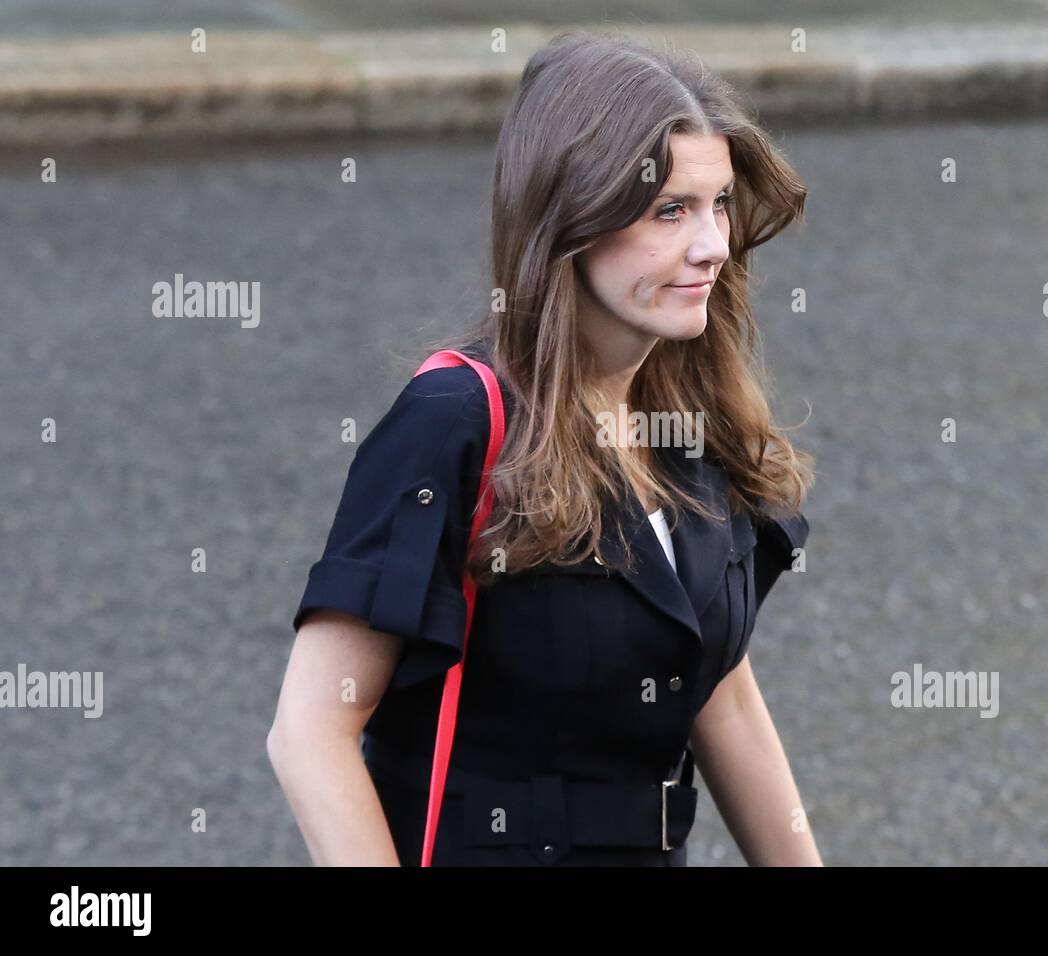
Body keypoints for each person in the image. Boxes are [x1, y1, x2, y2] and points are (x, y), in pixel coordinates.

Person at [267, 28, 820, 866]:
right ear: (572, 222)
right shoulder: (453, 421)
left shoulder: (684, 418)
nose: (710, 244)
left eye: (718, 205)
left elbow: (720, 691)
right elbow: (311, 731)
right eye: (670, 210)